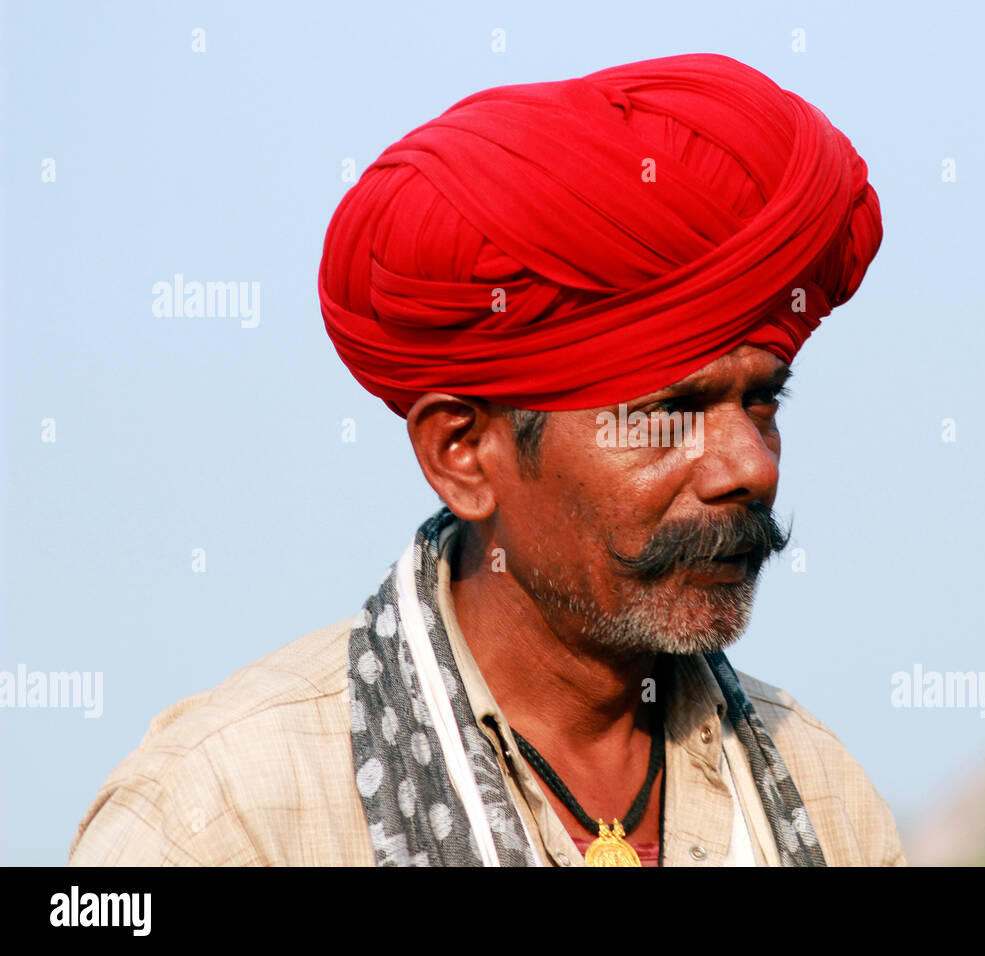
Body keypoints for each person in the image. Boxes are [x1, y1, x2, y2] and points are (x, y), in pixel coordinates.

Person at [68, 51, 904, 867]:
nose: (751, 467)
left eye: (762, 403)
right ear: (463, 453)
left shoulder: (820, 791)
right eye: (670, 415)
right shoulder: (224, 814)